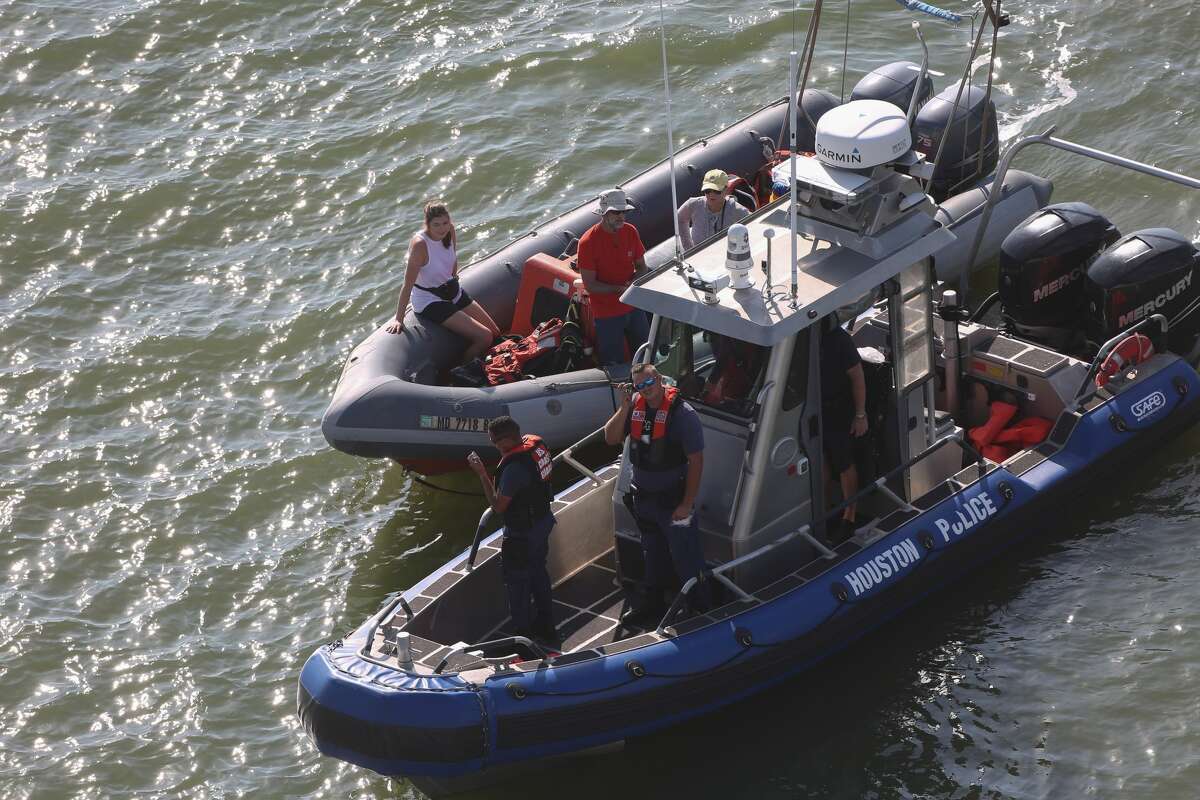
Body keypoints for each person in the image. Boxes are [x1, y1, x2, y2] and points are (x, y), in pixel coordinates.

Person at [604, 363, 709, 625]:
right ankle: (653, 603)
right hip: (644, 500)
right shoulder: (636, 408)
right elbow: (610, 437)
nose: (646, 390)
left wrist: (686, 503)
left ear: (659, 379)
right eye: (640, 386)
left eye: (649, 383)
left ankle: (699, 609)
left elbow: (696, 461)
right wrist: (625, 406)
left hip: (673, 501)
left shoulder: (683, 415)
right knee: (652, 554)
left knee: (687, 557)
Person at [467, 417, 558, 645]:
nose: (494, 446)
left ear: (506, 440)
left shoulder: (514, 468)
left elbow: (498, 506)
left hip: (522, 535)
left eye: (495, 442)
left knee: (517, 586)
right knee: (539, 573)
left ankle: (522, 640)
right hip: (543, 521)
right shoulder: (536, 446)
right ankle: (547, 625)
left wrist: (481, 473)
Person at [386, 200, 500, 362]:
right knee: (485, 337)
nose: (442, 228)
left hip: (452, 290)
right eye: (436, 225)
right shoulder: (420, 245)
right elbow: (407, 284)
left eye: (445, 223)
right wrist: (399, 318)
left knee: (495, 332)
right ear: (427, 225)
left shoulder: (449, 231)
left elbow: (452, 256)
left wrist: (453, 275)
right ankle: (461, 372)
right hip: (430, 300)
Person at [578, 188, 650, 366]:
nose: (621, 216)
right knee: (613, 361)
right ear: (604, 214)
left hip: (634, 305)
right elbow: (590, 285)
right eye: (615, 212)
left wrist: (633, 284)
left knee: (646, 353)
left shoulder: (630, 231)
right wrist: (619, 289)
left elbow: (642, 267)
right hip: (607, 314)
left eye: (623, 212)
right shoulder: (587, 243)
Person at [819, 316, 868, 542]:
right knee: (823, 464)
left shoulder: (839, 339)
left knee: (844, 463)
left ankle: (850, 515)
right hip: (814, 411)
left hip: (839, 410)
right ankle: (825, 511)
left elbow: (857, 377)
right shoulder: (803, 340)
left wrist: (860, 415)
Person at [675, 169, 750, 251]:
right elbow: (679, 218)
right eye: (707, 191)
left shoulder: (738, 210)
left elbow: (754, 226)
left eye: (716, 191)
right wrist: (688, 247)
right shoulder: (693, 204)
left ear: (726, 190)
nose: (711, 194)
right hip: (699, 257)